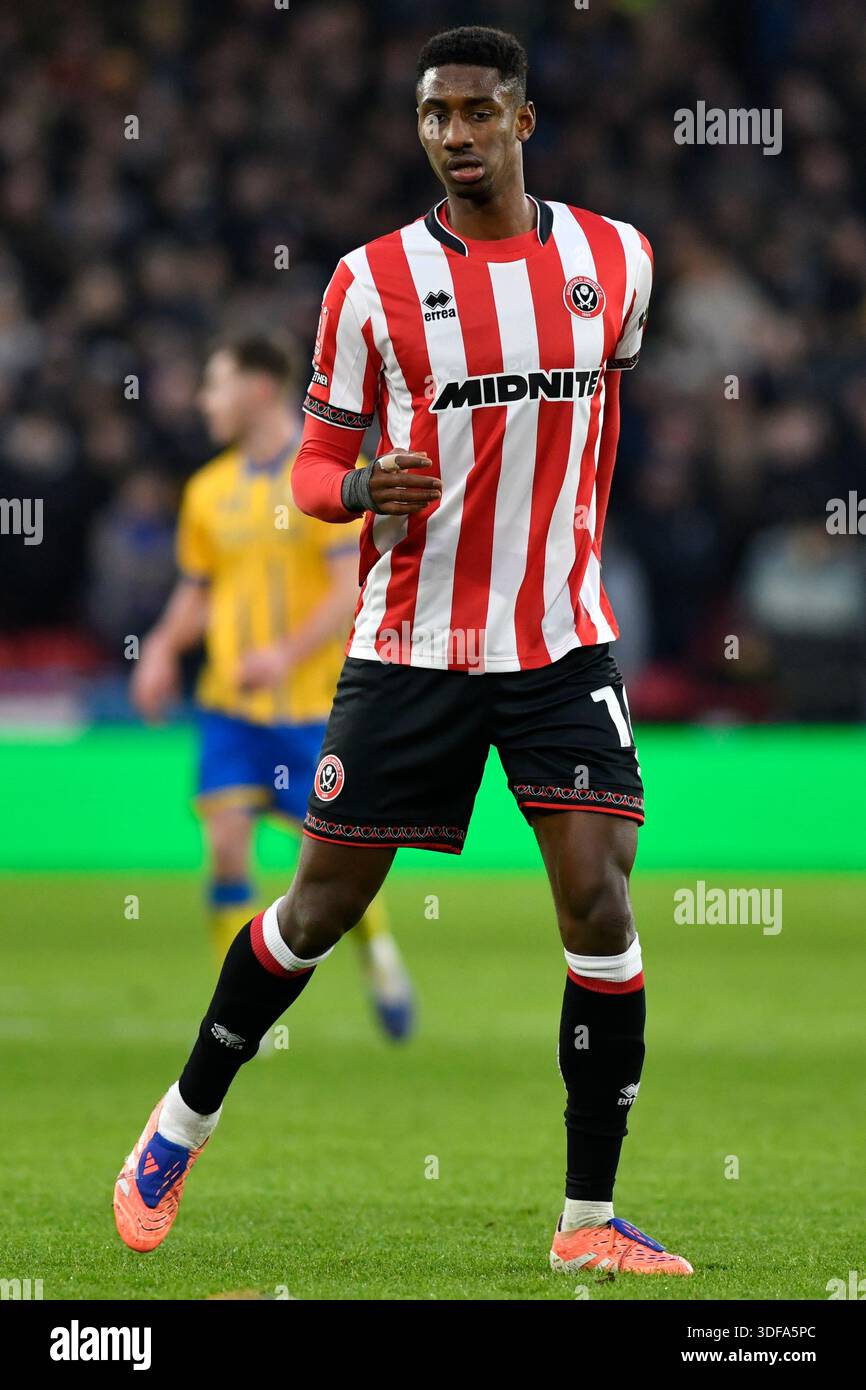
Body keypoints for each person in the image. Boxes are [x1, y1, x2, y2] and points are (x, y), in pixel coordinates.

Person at [115, 27, 692, 1278]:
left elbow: (606, 403)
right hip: (411, 645)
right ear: (419, 128)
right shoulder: (367, 282)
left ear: (521, 122)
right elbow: (314, 468)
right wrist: (361, 484)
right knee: (320, 908)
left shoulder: (615, 260)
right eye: (436, 115)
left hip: (557, 639)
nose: (455, 135)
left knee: (598, 897)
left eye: (479, 112)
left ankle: (586, 1224)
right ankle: (175, 1128)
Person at [130, 336, 414, 1042]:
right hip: (230, 707)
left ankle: (379, 953)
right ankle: (237, 1017)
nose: (204, 401)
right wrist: (163, 649)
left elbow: (351, 586)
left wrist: (285, 655)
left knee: (331, 874)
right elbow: (198, 590)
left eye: (215, 385)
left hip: (312, 709)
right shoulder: (206, 491)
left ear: (259, 390)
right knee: (227, 846)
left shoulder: (321, 480)